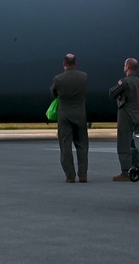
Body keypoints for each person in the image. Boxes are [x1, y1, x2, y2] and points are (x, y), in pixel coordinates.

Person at [50, 53, 89, 183]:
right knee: (82, 145)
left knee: (65, 146)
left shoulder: (58, 79)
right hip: (80, 114)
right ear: (76, 63)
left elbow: (53, 93)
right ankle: (83, 175)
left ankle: (70, 176)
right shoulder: (83, 77)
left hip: (64, 115)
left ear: (64, 64)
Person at [110, 57, 139, 181]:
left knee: (124, 143)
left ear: (127, 67)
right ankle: (137, 170)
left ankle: (126, 172)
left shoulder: (125, 82)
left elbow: (112, 94)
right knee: (135, 144)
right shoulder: (138, 81)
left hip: (126, 115)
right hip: (136, 115)